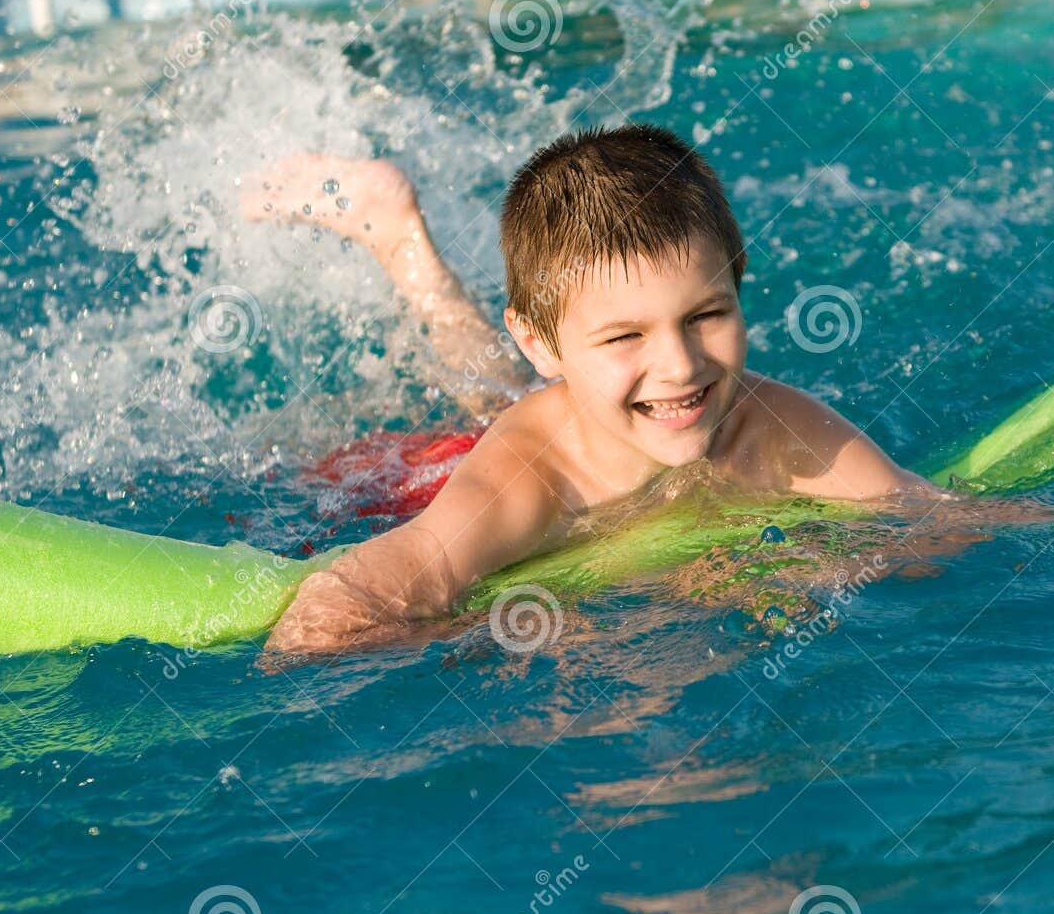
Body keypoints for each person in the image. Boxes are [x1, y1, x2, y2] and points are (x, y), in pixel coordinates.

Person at [245, 124, 949, 655]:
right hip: (436, 469)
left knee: (498, 388)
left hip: (590, 409)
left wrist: (818, 568)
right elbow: (332, 614)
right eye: (625, 336)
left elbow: (936, 525)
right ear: (542, 342)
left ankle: (405, 234)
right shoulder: (527, 485)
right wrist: (488, 627)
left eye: (706, 315)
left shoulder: (771, 430)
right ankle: (397, 235)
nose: (680, 365)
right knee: (487, 407)